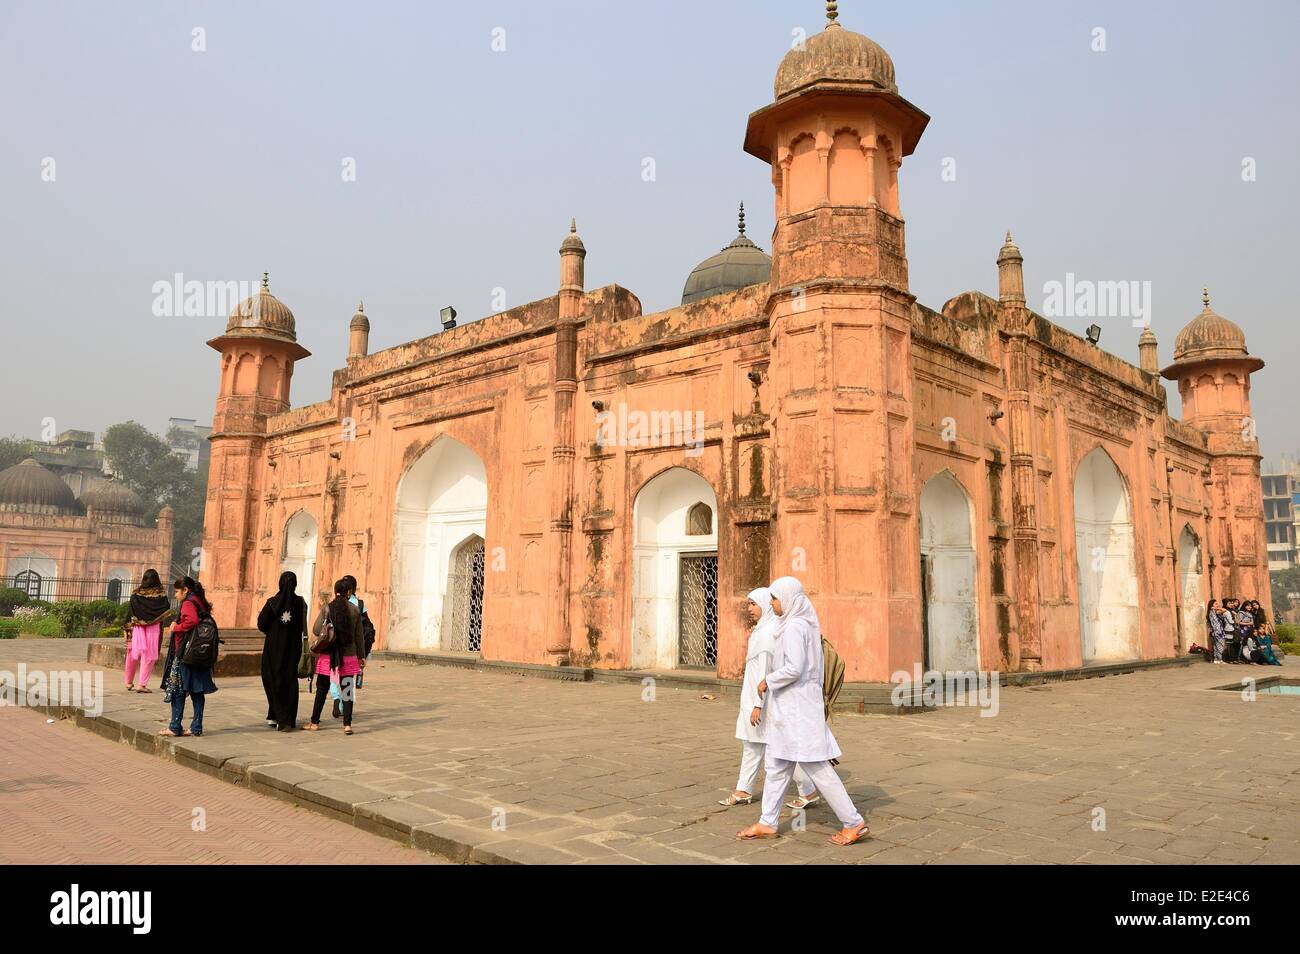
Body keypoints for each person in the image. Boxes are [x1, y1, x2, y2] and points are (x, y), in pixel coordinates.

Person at [736, 577, 869, 847]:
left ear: (789, 598)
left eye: (775, 598)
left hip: (798, 709)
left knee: (816, 766)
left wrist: (768, 681)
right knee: (776, 765)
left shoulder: (796, 627)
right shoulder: (797, 625)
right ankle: (768, 821)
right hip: (790, 709)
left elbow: (795, 668)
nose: (772, 604)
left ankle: (853, 822)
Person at [719, 588, 817, 809]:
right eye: (749, 604)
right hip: (757, 700)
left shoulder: (766, 634)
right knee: (765, 745)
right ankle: (806, 790)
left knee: (771, 747)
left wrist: (757, 705)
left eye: (754, 604)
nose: (749, 609)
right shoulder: (764, 629)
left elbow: (765, 672)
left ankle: (747, 791)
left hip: (762, 701)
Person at [159, 577, 217, 738]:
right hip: (199, 653)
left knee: (178, 690)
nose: (176, 595)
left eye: (177, 591)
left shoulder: (188, 603)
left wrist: (176, 627)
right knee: (197, 691)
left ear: (185, 590)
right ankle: (196, 726)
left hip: (186, 653)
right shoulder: (199, 601)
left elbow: (192, 620)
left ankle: (175, 726)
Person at [308, 579, 363, 734]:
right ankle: (347, 725)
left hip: (329, 656)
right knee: (347, 690)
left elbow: (317, 629)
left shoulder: (327, 608)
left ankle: (314, 722)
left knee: (321, 689)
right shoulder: (354, 610)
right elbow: (359, 636)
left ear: (335, 591)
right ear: (349, 592)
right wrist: (361, 656)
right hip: (348, 656)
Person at [257, 571, 307, 731]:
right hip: (293, 648)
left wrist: (274, 630)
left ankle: (282, 718)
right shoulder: (300, 603)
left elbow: (262, 624)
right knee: (290, 681)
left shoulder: (273, 602)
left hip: (274, 648)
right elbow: (301, 625)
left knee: (272, 679)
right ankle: (283, 717)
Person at [328, 575, 376, 718]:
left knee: (334, 674)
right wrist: (362, 655)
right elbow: (364, 630)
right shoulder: (359, 605)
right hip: (352, 649)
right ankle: (346, 713)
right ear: (351, 590)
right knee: (348, 679)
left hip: (336, 647)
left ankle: (336, 697)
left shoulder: (332, 605)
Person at [123, 569, 173, 692]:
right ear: (157, 579)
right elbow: (166, 608)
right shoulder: (160, 596)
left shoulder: (135, 595)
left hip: (136, 627)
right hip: (153, 627)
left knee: (132, 654)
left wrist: (127, 628)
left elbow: (130, 613)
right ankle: (142, 684)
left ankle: (128, 682)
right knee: (149, 655)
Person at [1206, 599, 1226, 664]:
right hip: (1218, 631)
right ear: (1212, 605)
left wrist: (1216, 607)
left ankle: (1216, 659)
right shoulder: (1213, 611)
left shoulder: (1212, 611)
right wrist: (1216, 608)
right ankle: (1220, 659)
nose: (1218, 605)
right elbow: (1224, 610)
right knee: (1221, 645)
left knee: (1217, 645)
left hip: (1217, 630)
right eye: (1216, 604)